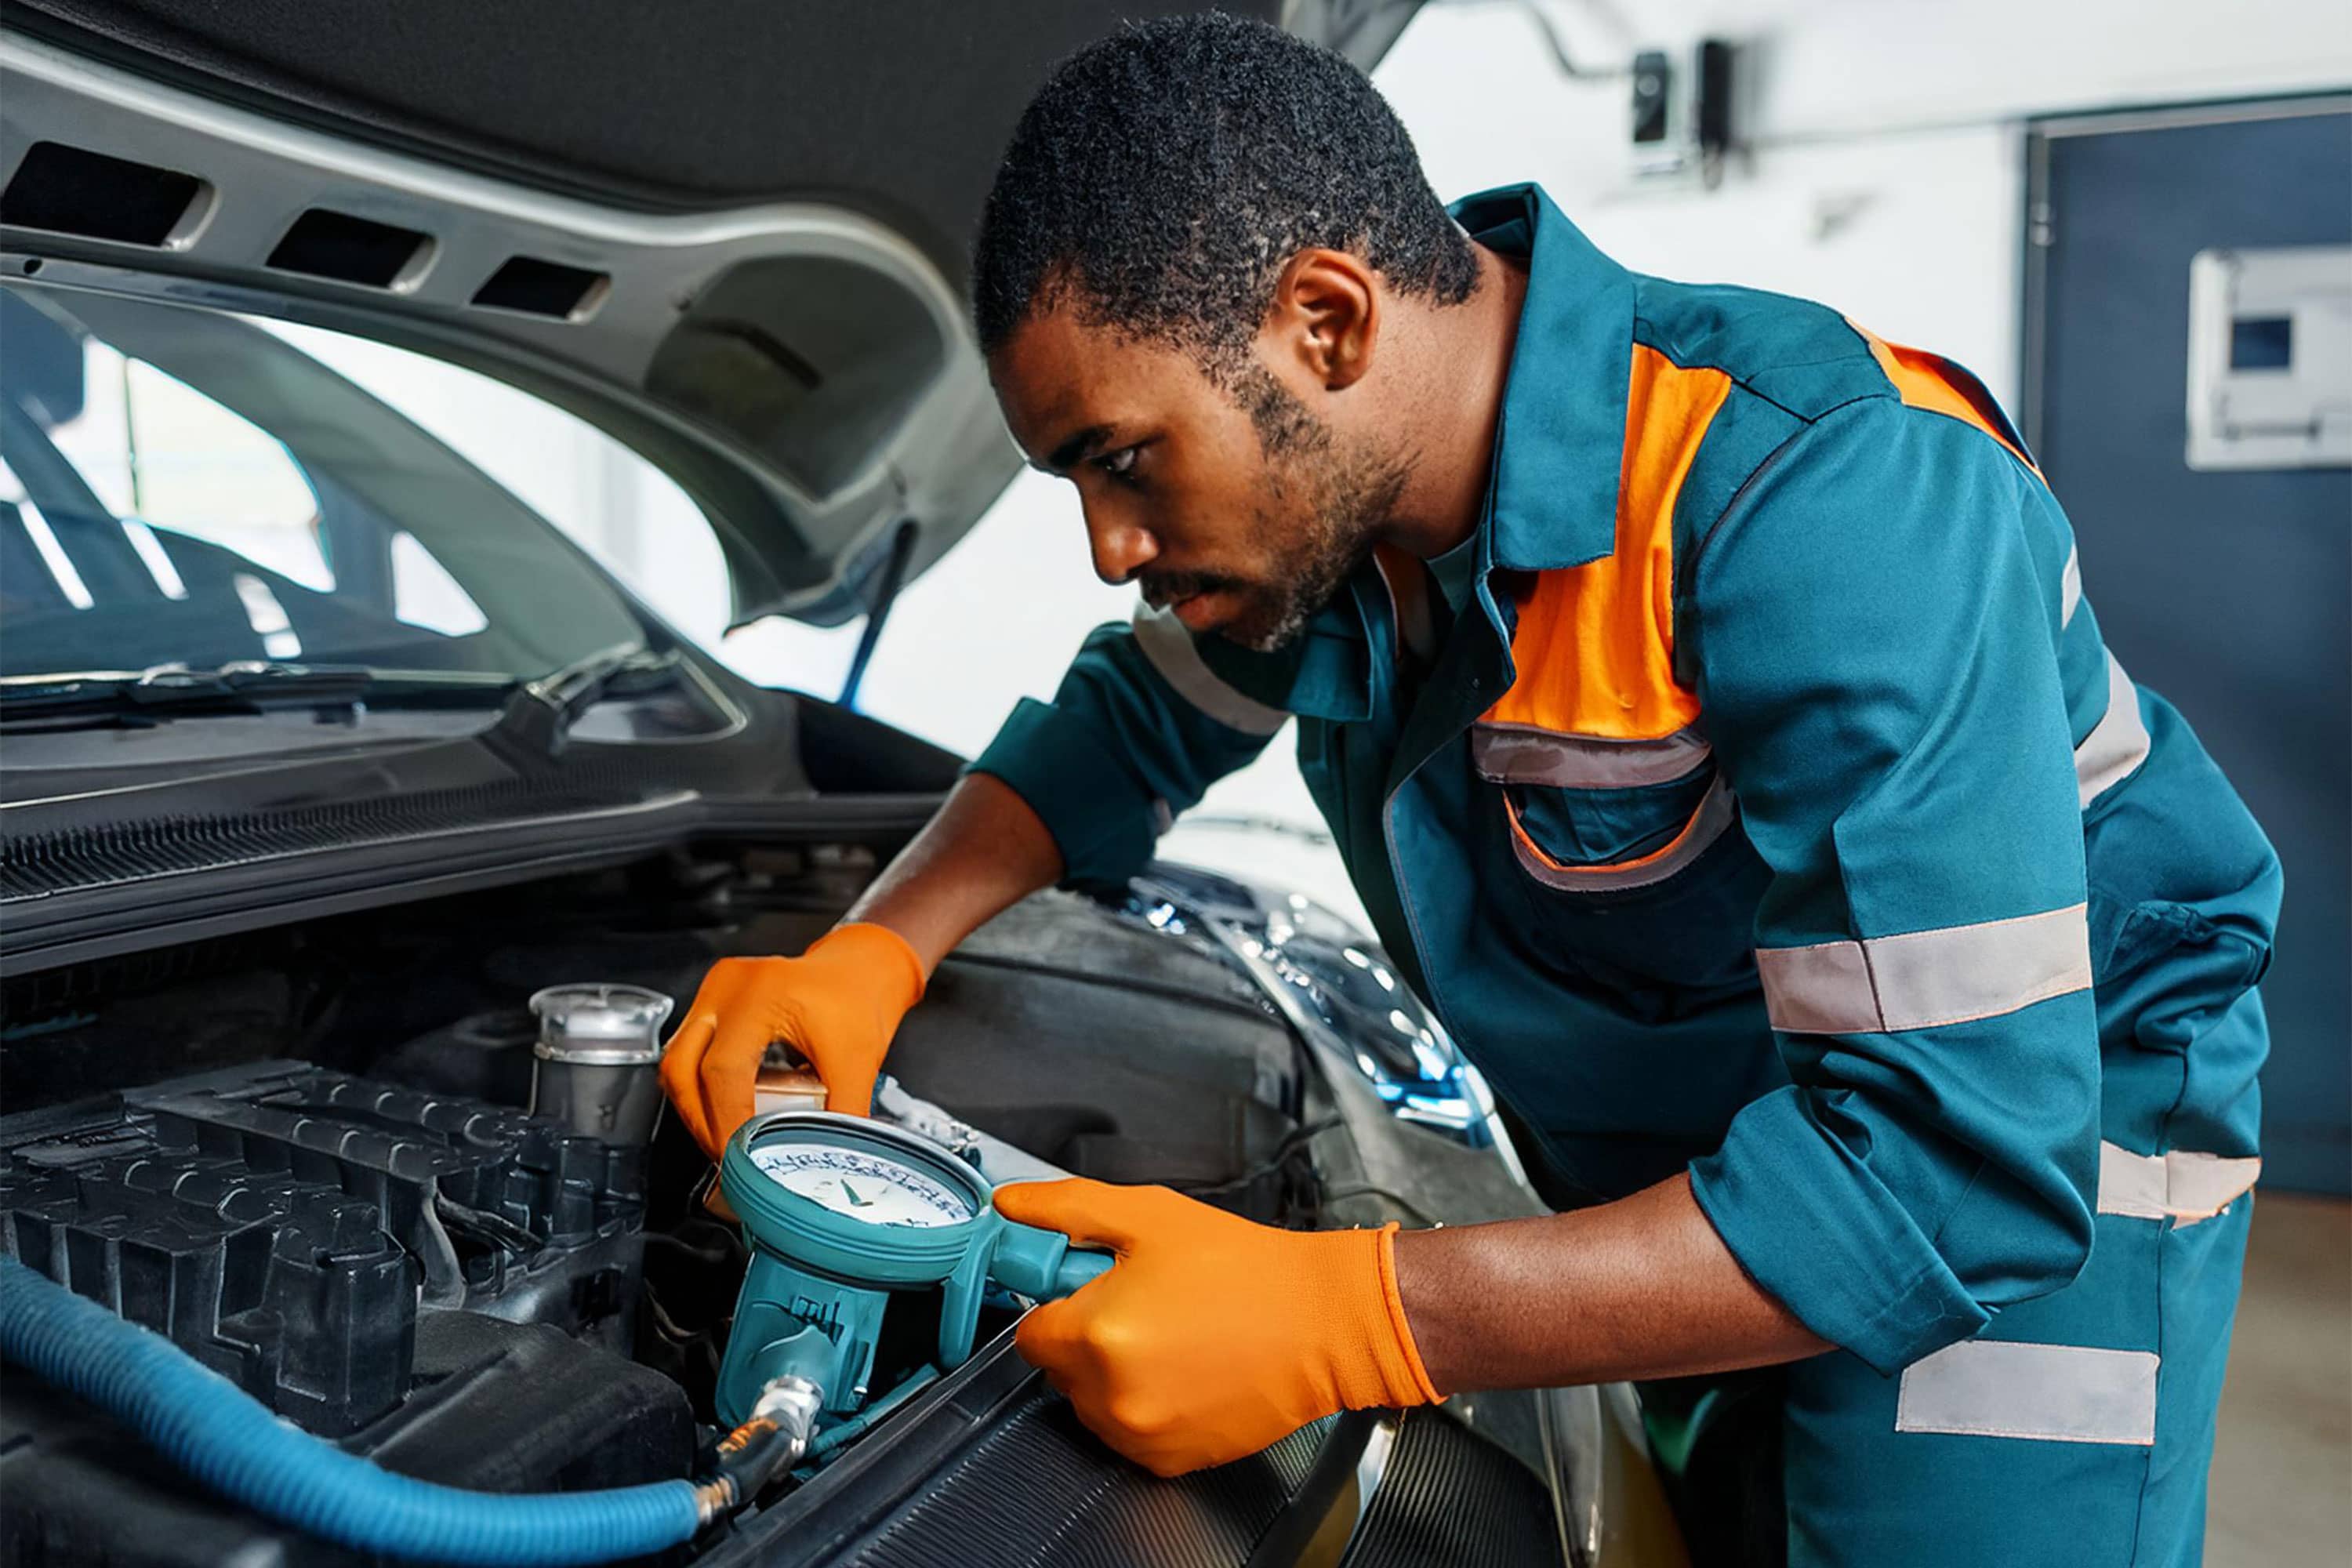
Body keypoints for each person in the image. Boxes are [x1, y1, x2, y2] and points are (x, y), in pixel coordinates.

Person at [659, 16, 2279, 1564]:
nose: (1110, 548)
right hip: (1710, 1164)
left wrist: (1358, 1315)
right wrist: (875, 943)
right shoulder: (1333, 535)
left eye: (1125, 457)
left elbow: (1954, 1170)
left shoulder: (1816, 489)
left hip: (2035, 1155)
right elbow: (1124, 729)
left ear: (1328, 323)